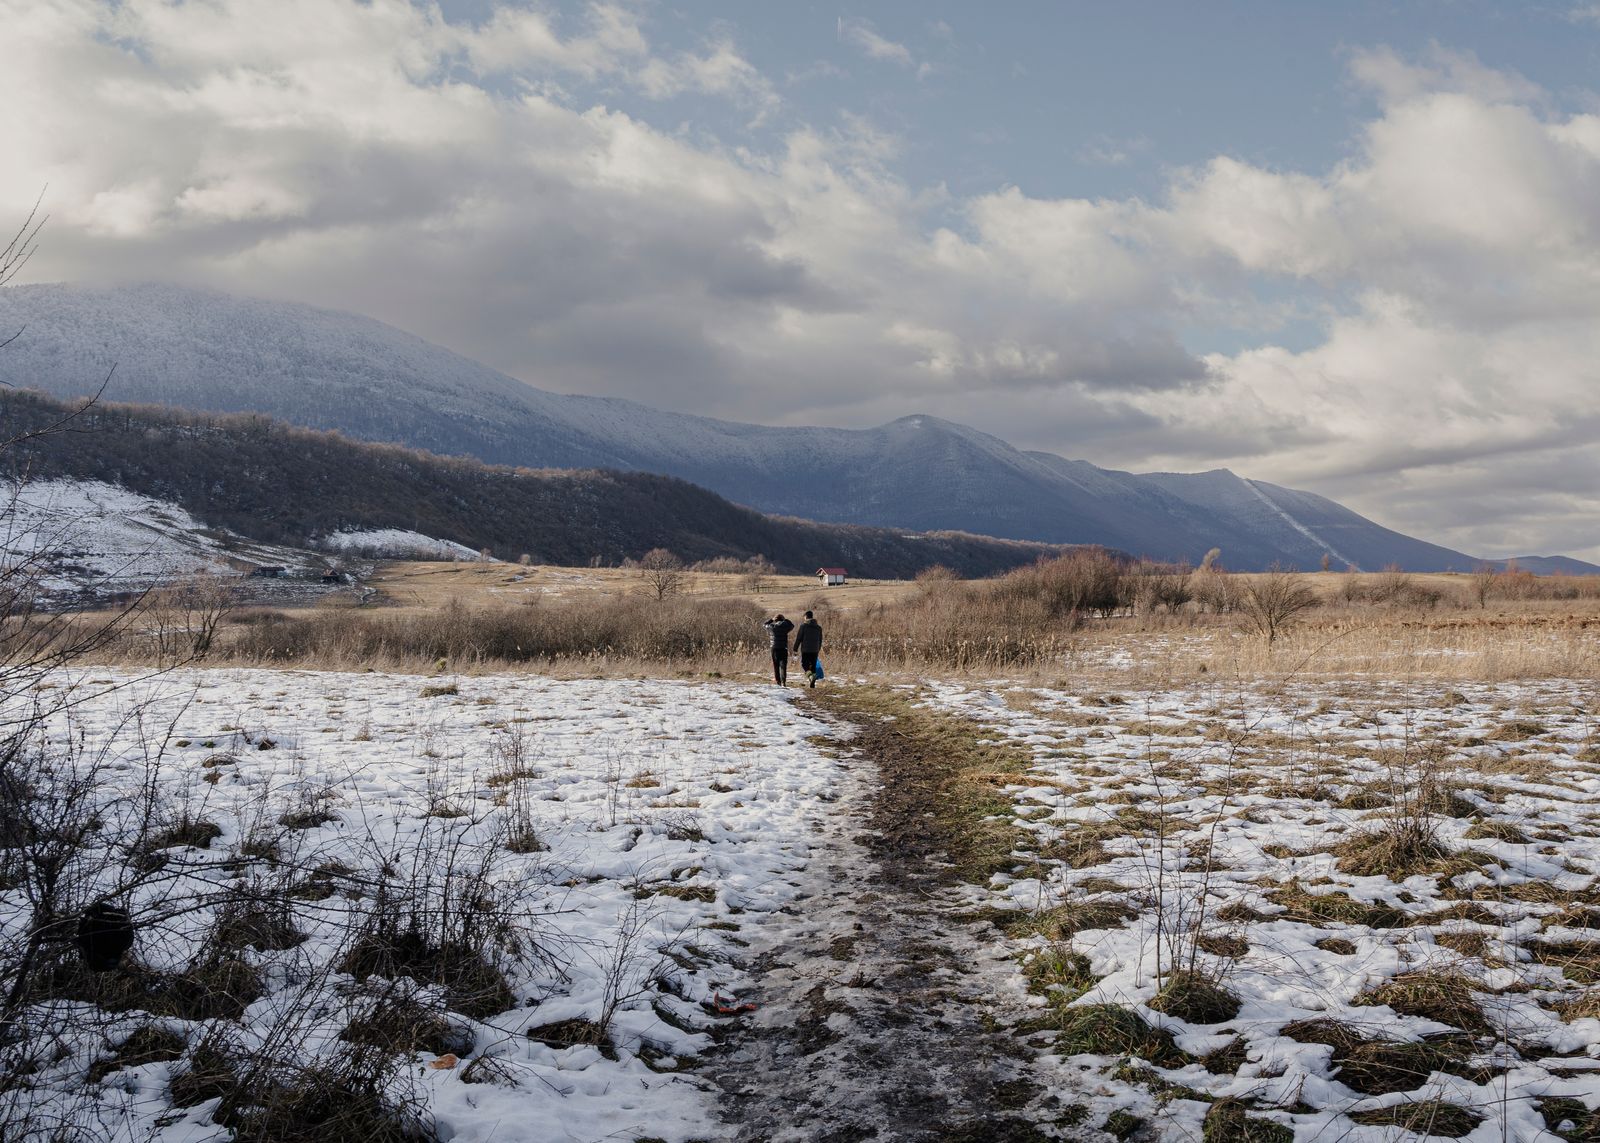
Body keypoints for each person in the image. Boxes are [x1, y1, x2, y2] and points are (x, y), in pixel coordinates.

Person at [762, 613, 794, 685]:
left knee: (775, 665)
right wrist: (785, 619)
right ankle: (783, 681)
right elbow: (792, 625)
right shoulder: (785, 627)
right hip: (783, 647)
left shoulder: (771, 627)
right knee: (783, 665)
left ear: (775, 620)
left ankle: (778, 681)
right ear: (782, 620)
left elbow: (764, 624)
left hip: (774, 648)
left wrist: (771, 620)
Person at [794, 610, 823, 687]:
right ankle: (812, 683)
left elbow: (799, 638)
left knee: (804, 664)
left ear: (806, 617)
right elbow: (820, 639)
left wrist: (795, 648)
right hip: (815, 649)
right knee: (813, 665)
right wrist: (818, 648)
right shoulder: (819, 627)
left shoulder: (803, 626)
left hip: (806, 650)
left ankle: (810, 676)